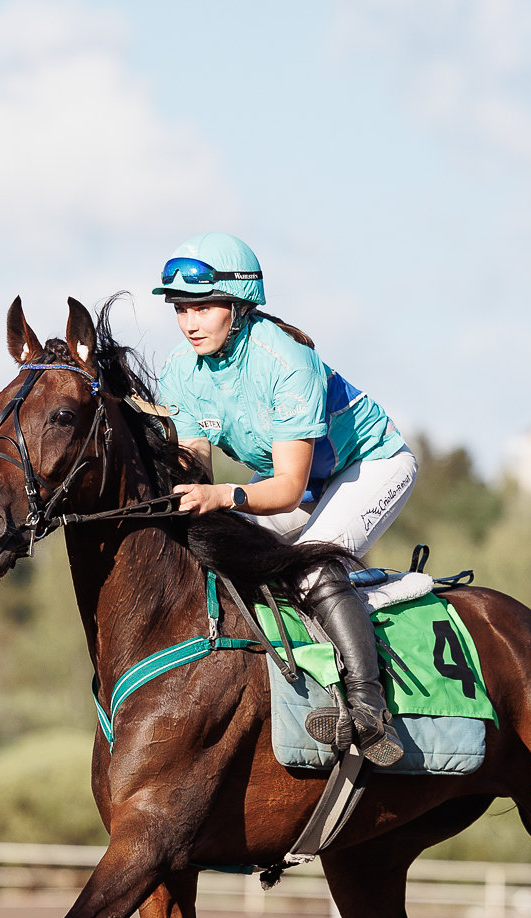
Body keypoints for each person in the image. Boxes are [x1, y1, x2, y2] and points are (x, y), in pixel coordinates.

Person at [152, 231, 418, 767]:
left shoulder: (288, 362)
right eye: (181, 309)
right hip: (287, 485)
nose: (189, 322)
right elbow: (196, 467)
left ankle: (369, 707)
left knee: (313, 568)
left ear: (239, 304)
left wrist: (223, 494)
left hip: (369, 466)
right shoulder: (180, 372)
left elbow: (287, 489)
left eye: (202, 307)